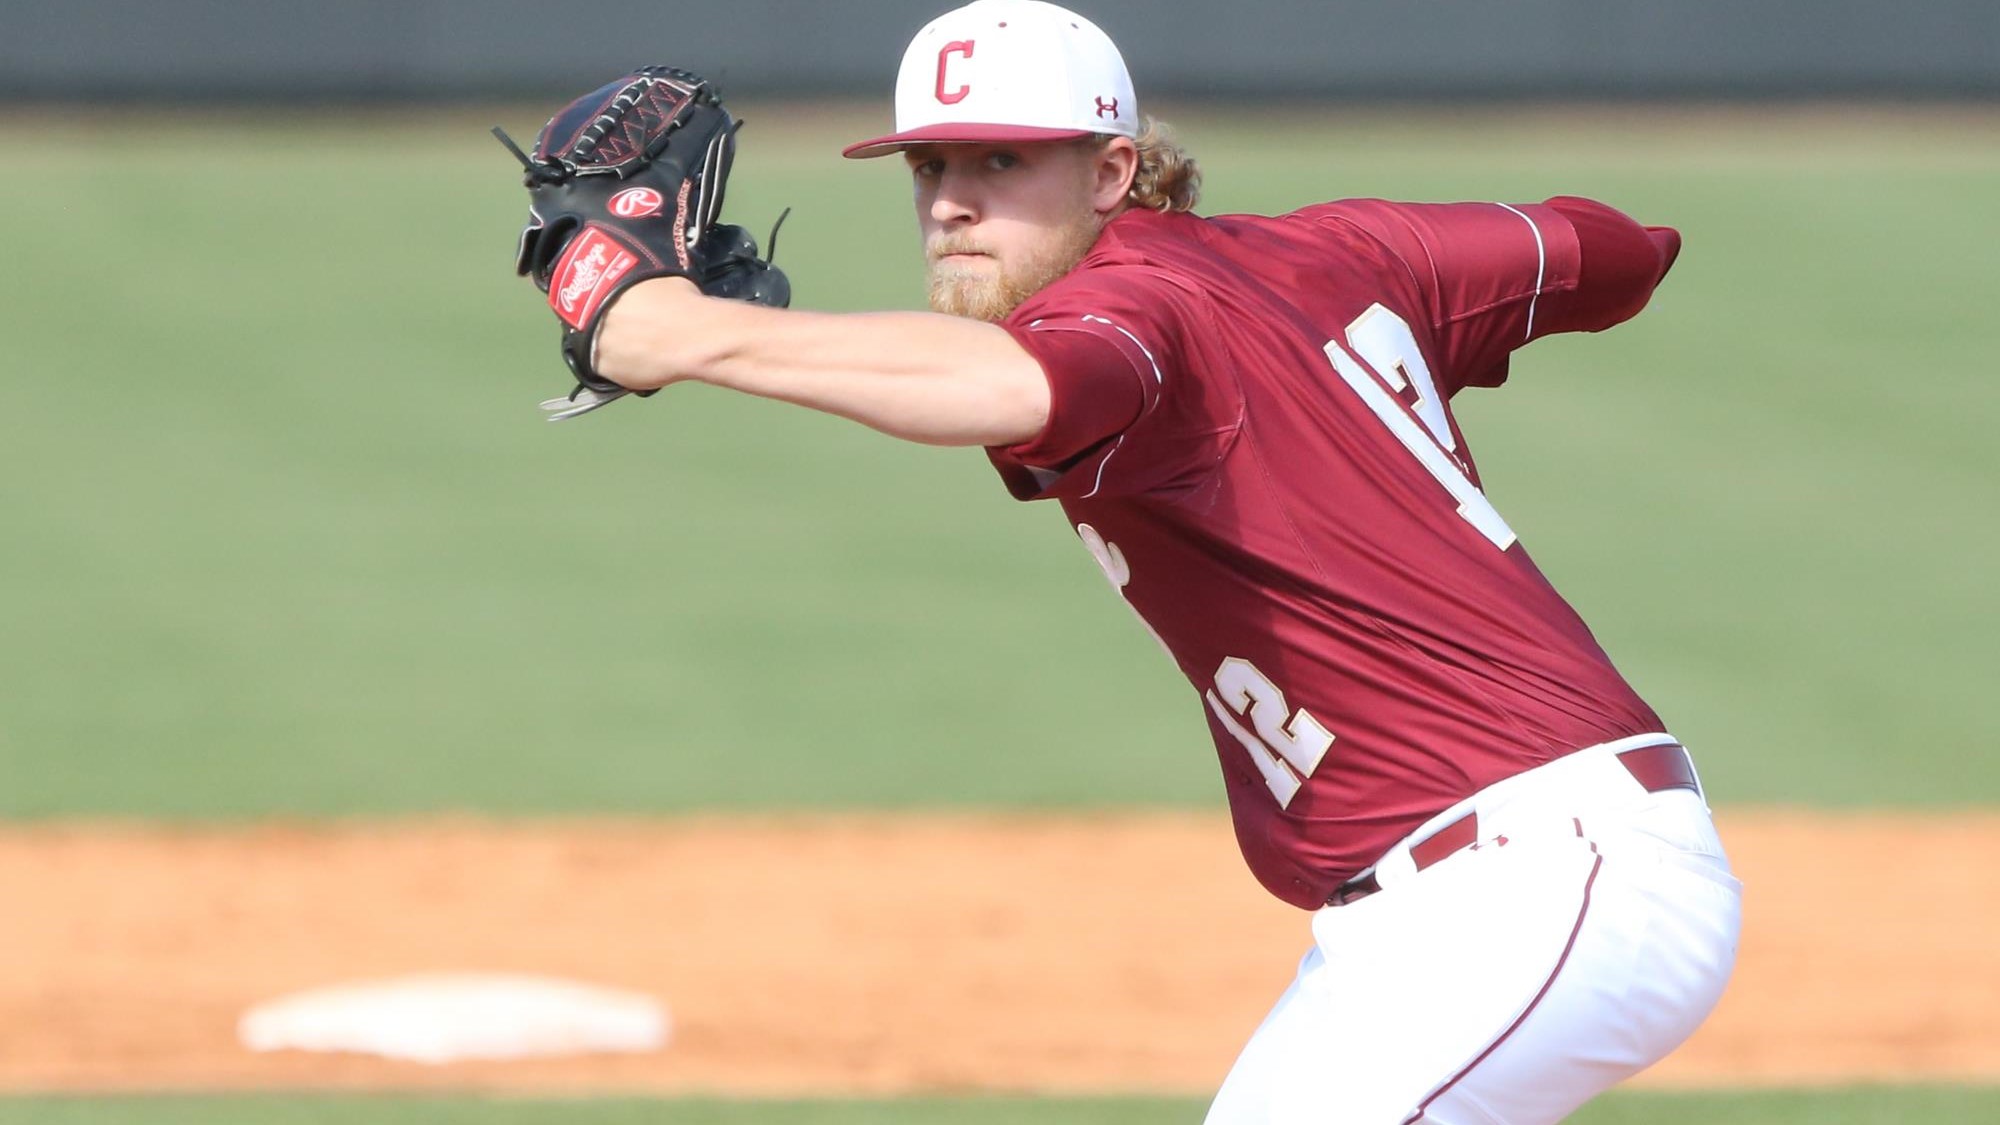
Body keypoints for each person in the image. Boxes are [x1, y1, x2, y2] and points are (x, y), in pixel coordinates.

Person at [590, 1, 1742, 1120]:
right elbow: (1612, 250)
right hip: (1449, 910)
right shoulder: (1344, 249)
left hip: (1535, 882)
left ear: (1108, 175)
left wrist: (682, 331)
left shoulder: (1130, 305)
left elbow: (1008, 388)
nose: (951, 204)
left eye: (999, 161)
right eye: (929, 167)